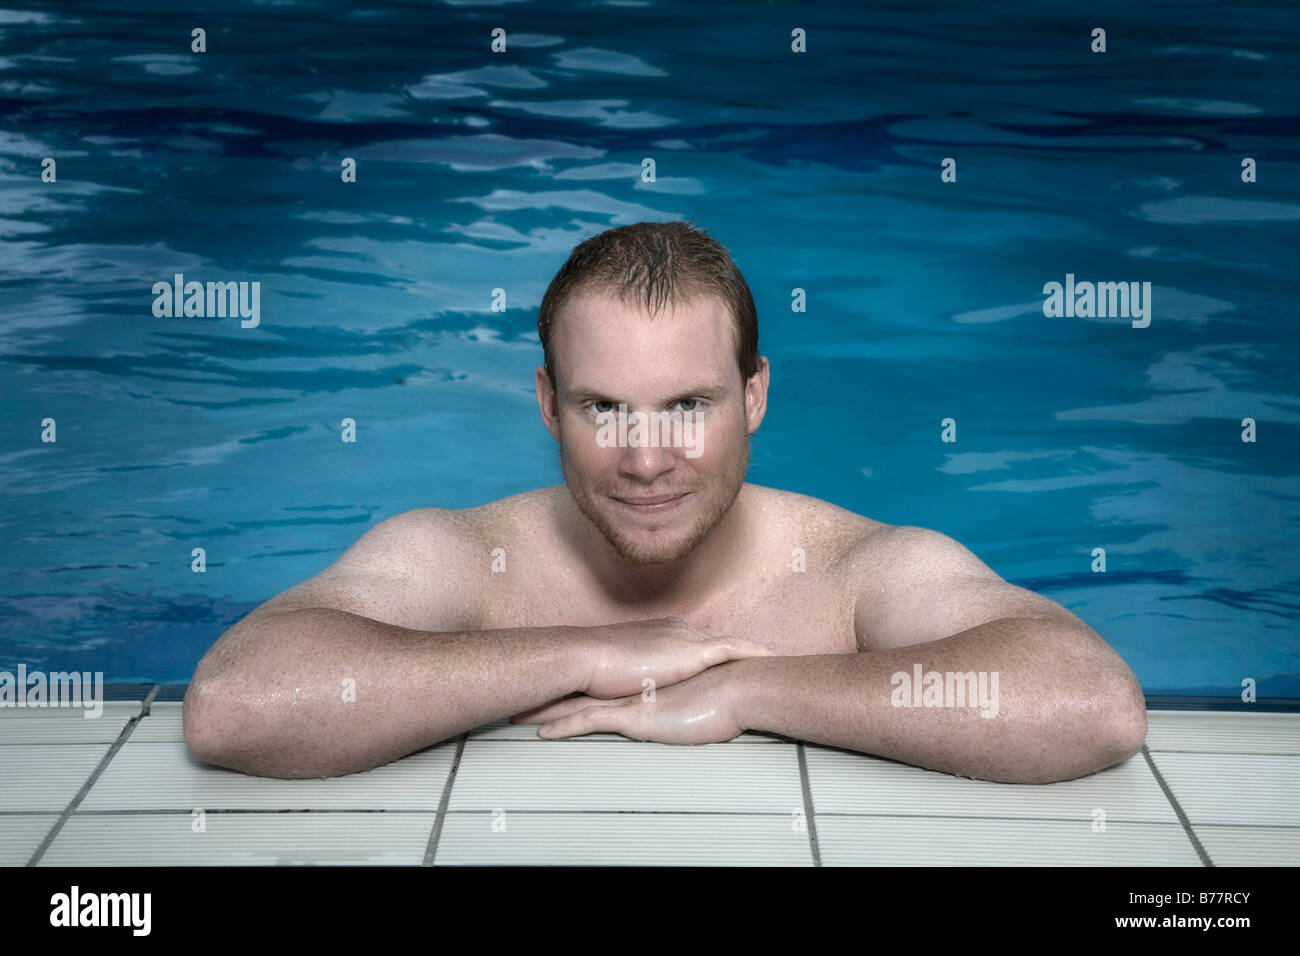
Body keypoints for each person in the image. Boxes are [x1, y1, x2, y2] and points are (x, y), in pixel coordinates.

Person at [182, 220, 1146, 783]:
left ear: (755, 396)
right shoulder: (468, 560)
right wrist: (592, 653)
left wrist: (747, 690)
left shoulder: (858, 572)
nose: (648, 459)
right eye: (604, 407)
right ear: (549, 404)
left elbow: (1088, 703)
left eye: (689, 405)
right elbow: (235, 705)